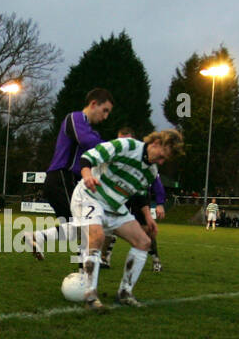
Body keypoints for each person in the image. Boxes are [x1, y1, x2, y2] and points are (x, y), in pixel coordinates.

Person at [70, 131, 185, 311]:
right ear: (155, 143)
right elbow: (88, 157)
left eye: (165, 160)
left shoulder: (151, 171)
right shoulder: (127, 146)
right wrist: (87, 175)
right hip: (91, 196)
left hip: (115, 205)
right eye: (162, 156)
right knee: (97, 237)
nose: (161, 162)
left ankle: (124, 293)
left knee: (143, 242)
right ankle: (90, 296)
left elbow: (140, 195)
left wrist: (148, 217)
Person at [25, 89, 114, 261]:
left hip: (69, 181)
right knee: (84, 225)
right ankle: (84, 271)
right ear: (94, 104)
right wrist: (115, 148)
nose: (105, 117)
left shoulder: (92, 132)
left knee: (76, 229)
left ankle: (39, 238)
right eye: (105, 110)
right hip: (61, 178)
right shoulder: (75, 118)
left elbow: (96, 151)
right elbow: (88, 142)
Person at [101, 127, 166, 271]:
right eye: (120, 140)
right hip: (119, 195)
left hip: (139, 196)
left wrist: (160, 203)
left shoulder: (144, 158)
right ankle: (104, 258)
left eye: (127, 140)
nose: (123, 143)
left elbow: (156, 181)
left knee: (145, 229)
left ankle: (155, 260)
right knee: (108, 225)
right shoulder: (115, 153)